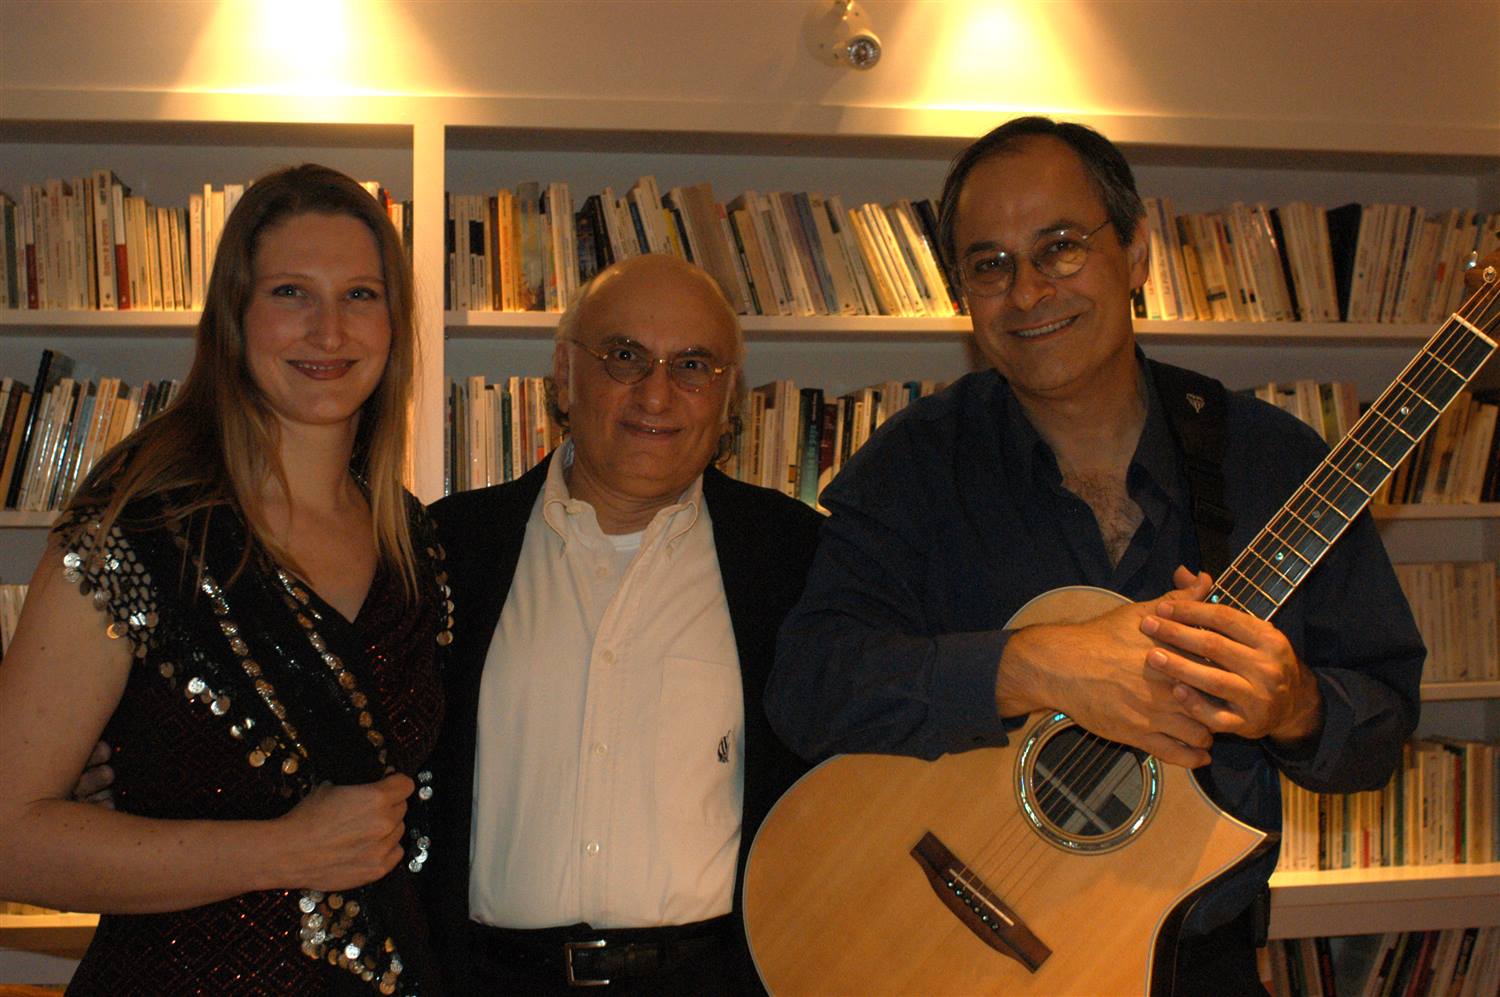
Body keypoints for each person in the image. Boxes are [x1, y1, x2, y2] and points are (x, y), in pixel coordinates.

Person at [766, 117, 1427, 995]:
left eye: (1062, 247)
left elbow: (1380, 730)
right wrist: (1035, 665)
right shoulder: (914, 465)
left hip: (1195, 966)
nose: (1028, 291)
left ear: (1138, 251)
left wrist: (1296, 704)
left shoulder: (1275, 462)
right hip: (955, 964)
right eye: (990, 264)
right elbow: (809, 685)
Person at [0, 164, 447, 995]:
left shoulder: (414, 543)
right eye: (290, 292)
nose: (328, 330)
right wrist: (283, 849)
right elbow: (8, 837)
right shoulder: (140, 523)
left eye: (360, 295)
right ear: (234, 317)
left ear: (395, 324)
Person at [421, 253, 821, 995]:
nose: (656, 394)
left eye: (693, 365)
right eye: (625, 356)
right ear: (564, 375)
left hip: (714, 979)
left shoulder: (798, 560)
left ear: (728, 396)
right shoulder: (447, 549)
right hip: (488, 977)